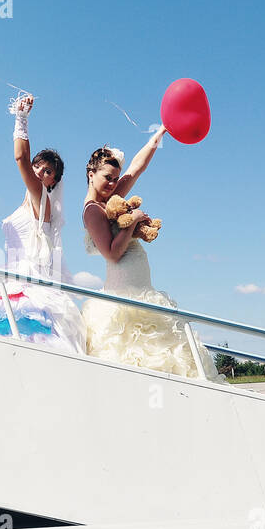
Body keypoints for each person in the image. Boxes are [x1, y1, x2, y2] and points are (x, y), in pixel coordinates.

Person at [80, 130, 216, 378]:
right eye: (107, 178)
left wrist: (160, 132)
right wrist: (133, 221)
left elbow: (136, 168)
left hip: (143, 288)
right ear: (91, 175)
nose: (113, 184)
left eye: (115, 179)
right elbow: (112, 254)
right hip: (124, 295)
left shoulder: (111, 198)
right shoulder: (92, 210)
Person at [0, 95, 85, 353]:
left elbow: (20, 158)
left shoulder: (41, 197)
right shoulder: (26, 203)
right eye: (38, 165)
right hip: (9, 275)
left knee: (27, 337)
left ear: (53, 182)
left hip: (31, 280)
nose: (39, 171)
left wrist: (21, 117)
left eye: (47, 171)